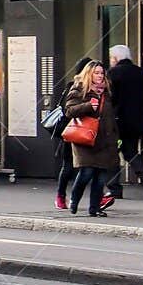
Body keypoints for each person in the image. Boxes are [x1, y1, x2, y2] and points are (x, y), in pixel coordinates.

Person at [63, 60, 120, 217]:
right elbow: (69, 111)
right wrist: (88, 106)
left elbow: (111, 117)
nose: (100, 76)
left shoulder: (106, 92)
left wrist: (115, 137)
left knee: (100, 177)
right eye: (96, 73)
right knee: (86, 172)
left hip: (104, 140)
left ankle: (94, 208)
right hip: (85, 139)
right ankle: (74, 199)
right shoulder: (79, 89)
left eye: (102, 73)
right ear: (89, 74)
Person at [107, 44, 143, 199]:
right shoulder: (141, 73)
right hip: (136, 121)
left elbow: (111, 98)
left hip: (117, 122)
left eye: (111, 58)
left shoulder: (113, 73)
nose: (110, 61)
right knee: (131, 151)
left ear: (116, 58)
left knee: (112, 154)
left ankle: (114, 188)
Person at [50, 55, 91, 211]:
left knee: (89, 165)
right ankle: (61, 196)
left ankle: (66, 197)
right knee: (69, 166)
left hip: (82, 132)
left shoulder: (91, 87)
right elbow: (69, 111)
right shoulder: (74, 87)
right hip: (74, 132)